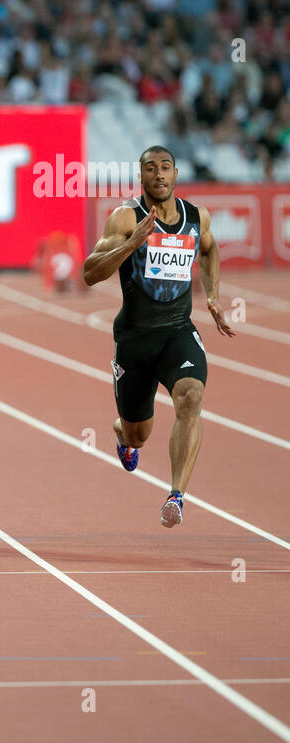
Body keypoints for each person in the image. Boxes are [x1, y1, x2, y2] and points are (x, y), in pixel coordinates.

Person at [82, 145, 236, 527]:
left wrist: (213, 296)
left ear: (176, 173)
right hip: (135, 340)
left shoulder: (196, 217)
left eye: (165, 167)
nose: (159, 174)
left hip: (178, 331)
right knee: (138, 434)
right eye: (151, 168)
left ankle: (176, 495)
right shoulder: (124, 217)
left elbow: (211, 250)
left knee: (191, 396)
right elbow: (89, 272)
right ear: (142, 177)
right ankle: (123, 434)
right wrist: (133, 241)